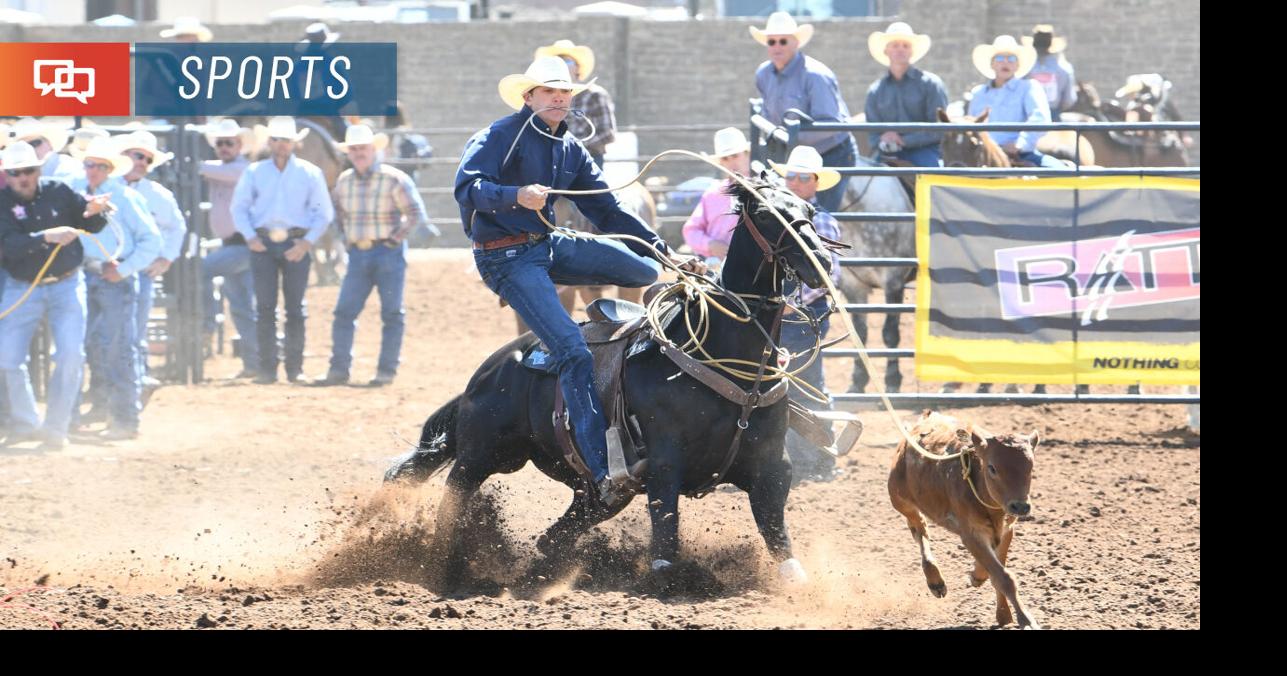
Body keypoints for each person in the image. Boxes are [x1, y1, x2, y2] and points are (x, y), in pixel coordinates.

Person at [455, 56, 700, 507]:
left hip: (547, 243)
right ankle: (600, 467)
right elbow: (467, 188)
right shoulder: (498, 137)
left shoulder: (569, 148)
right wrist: (516, 196)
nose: (559, 98)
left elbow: (608, 210)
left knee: (643, 271)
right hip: (504, 256)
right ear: (528, 96)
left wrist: (664, 252)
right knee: (570, 349)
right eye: (549, 91)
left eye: (565, 92)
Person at [0, 141, 111, 449]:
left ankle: (55, 429)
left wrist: (96, 210)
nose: (22, 177)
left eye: (27, 171)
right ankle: (25, 422)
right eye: (15, 172)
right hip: (23, 285)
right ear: (7, 175)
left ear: (38, 171)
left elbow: (91, 222)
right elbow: (8, 244)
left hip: (66, 283)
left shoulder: (59, 191)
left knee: (70, 355)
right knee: (7, 359)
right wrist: (45, 236)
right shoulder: (1, 202)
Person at [316, 125, 428, 387]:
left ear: (373, 149)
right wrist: (347, 240)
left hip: (386, 252)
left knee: (390, 313)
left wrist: (394, 238)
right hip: (358, 253)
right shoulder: (344, 182)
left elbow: (414, 213)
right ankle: (339, 370)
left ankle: (385, 371)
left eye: (362, 148)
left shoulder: (393, 178)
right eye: (353, 149)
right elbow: (337, 215)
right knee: (344, 312)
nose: (358, 153)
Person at [70, 137, 162, 440]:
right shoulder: (78, 196)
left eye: (99, 165)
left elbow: (153, 242)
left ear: (110, 169)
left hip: (113, 278)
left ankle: (124, 420)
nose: (92, 170)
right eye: (89, 164)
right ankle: (94, 417)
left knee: (117, 350)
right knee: (87, 348)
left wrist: (122, 270)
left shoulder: (125, 197)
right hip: (86, 275)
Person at [231, 117, 334, 384]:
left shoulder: (310, 173)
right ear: (270, 142)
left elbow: (324, 213)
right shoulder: (255, 173)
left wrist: (306, 242)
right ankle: (268, 370)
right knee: (265, 308)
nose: (281, 145)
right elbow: (238, 208)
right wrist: (251, 237)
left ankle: (293, 368)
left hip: (295, 242)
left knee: (295, 309)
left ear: (294, 143)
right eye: (276, 140)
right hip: (263, 243)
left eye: (285, 140)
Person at [769, 146, 843, 482]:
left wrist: (790, 301)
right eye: (791, 176)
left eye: (803, 177)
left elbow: (829, 275)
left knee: (807, 382)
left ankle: (821, 459)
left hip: (803, 316)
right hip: (776, 315)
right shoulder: (776, 215)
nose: (796, 182)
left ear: (815, 183)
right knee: (782, 381)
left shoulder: (821, 219)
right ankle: (793, 458)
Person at [752, 11, 856, 212]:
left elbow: (831, 124)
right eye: (771, 42)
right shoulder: (763, 74)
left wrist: (790, 136)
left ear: (796, 42)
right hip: (792, 157)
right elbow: (767, 113)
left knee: (817, 213)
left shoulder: (816, 76)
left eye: (783, 41)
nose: (777, 46)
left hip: (831, 154)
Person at [119, 130, 187, 387]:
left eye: (147, 159)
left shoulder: (158, 194)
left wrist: (166, 258)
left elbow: (177, 227)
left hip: (140, 271)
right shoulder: (107, 187)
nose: (141, 163)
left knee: (136, 328)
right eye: (138, 156)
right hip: (107, 268)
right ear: (124, 156)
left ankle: (136, 379)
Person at [199, 119, 259, 378]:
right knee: (242, 306)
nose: (224, 147)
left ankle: (206, 325)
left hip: (243, 245)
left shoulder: (243, 169)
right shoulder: (221, 169)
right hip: (235, 245)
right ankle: (254, 362)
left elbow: (201, 168)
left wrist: (190, 163)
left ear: (240, 146)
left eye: (229, 143)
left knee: (200, 270)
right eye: (220, 143)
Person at [967, 36, 1064, 169]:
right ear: (992, 64)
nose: (1005, 62)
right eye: (1000, 58)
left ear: (1017, 65)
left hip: (1019, 153)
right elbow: (969, 125)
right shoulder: (978, 93)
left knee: (1060, 171)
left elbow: (1040, 118)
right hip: (982, 155)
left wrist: (1020, 143)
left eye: (1011, 59)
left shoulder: (1029, 87)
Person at [863, 22, 949, 167]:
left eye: (905, 46)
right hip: (887, 153)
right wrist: (882, 138)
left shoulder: (931, 84)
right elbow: (872, 135)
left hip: (925, 151)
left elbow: (939, 129)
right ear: (886, 51)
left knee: (933, 179)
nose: (900, 50)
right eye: (895, 45)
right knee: (865, 183)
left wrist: (903, 140)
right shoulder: (875, 91)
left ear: (911, 52)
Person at [535, 40, 617, 170]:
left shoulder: (595, 94)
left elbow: (607, 133)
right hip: (555, 161)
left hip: (589, 159)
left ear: (577, 67)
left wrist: (575, 148)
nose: (562, 66)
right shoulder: (548, 97)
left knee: (589, 190)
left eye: (566, 61)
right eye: (558, 61)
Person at [681, 127, 752, 267]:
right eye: (725, 158)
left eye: (735, 155)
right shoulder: (712, 194)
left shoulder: (763, 191)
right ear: (721, 162)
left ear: (747, 155)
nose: (732, 163)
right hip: (716, 264)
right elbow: (690, 230)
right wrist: (711, 244)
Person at [1023, 25, 1077, 120]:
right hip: (1053, 115)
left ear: (1034, 44)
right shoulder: (1064, 68)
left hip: (1027, 115)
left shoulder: (1024, 67)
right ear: (1051, 44)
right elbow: (1069, 100)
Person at [8, 118, 82, 185]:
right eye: (23, 146)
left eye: (35, 143)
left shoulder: (70, 166)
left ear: (49, 143)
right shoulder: (19, 174)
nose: (30, 149)